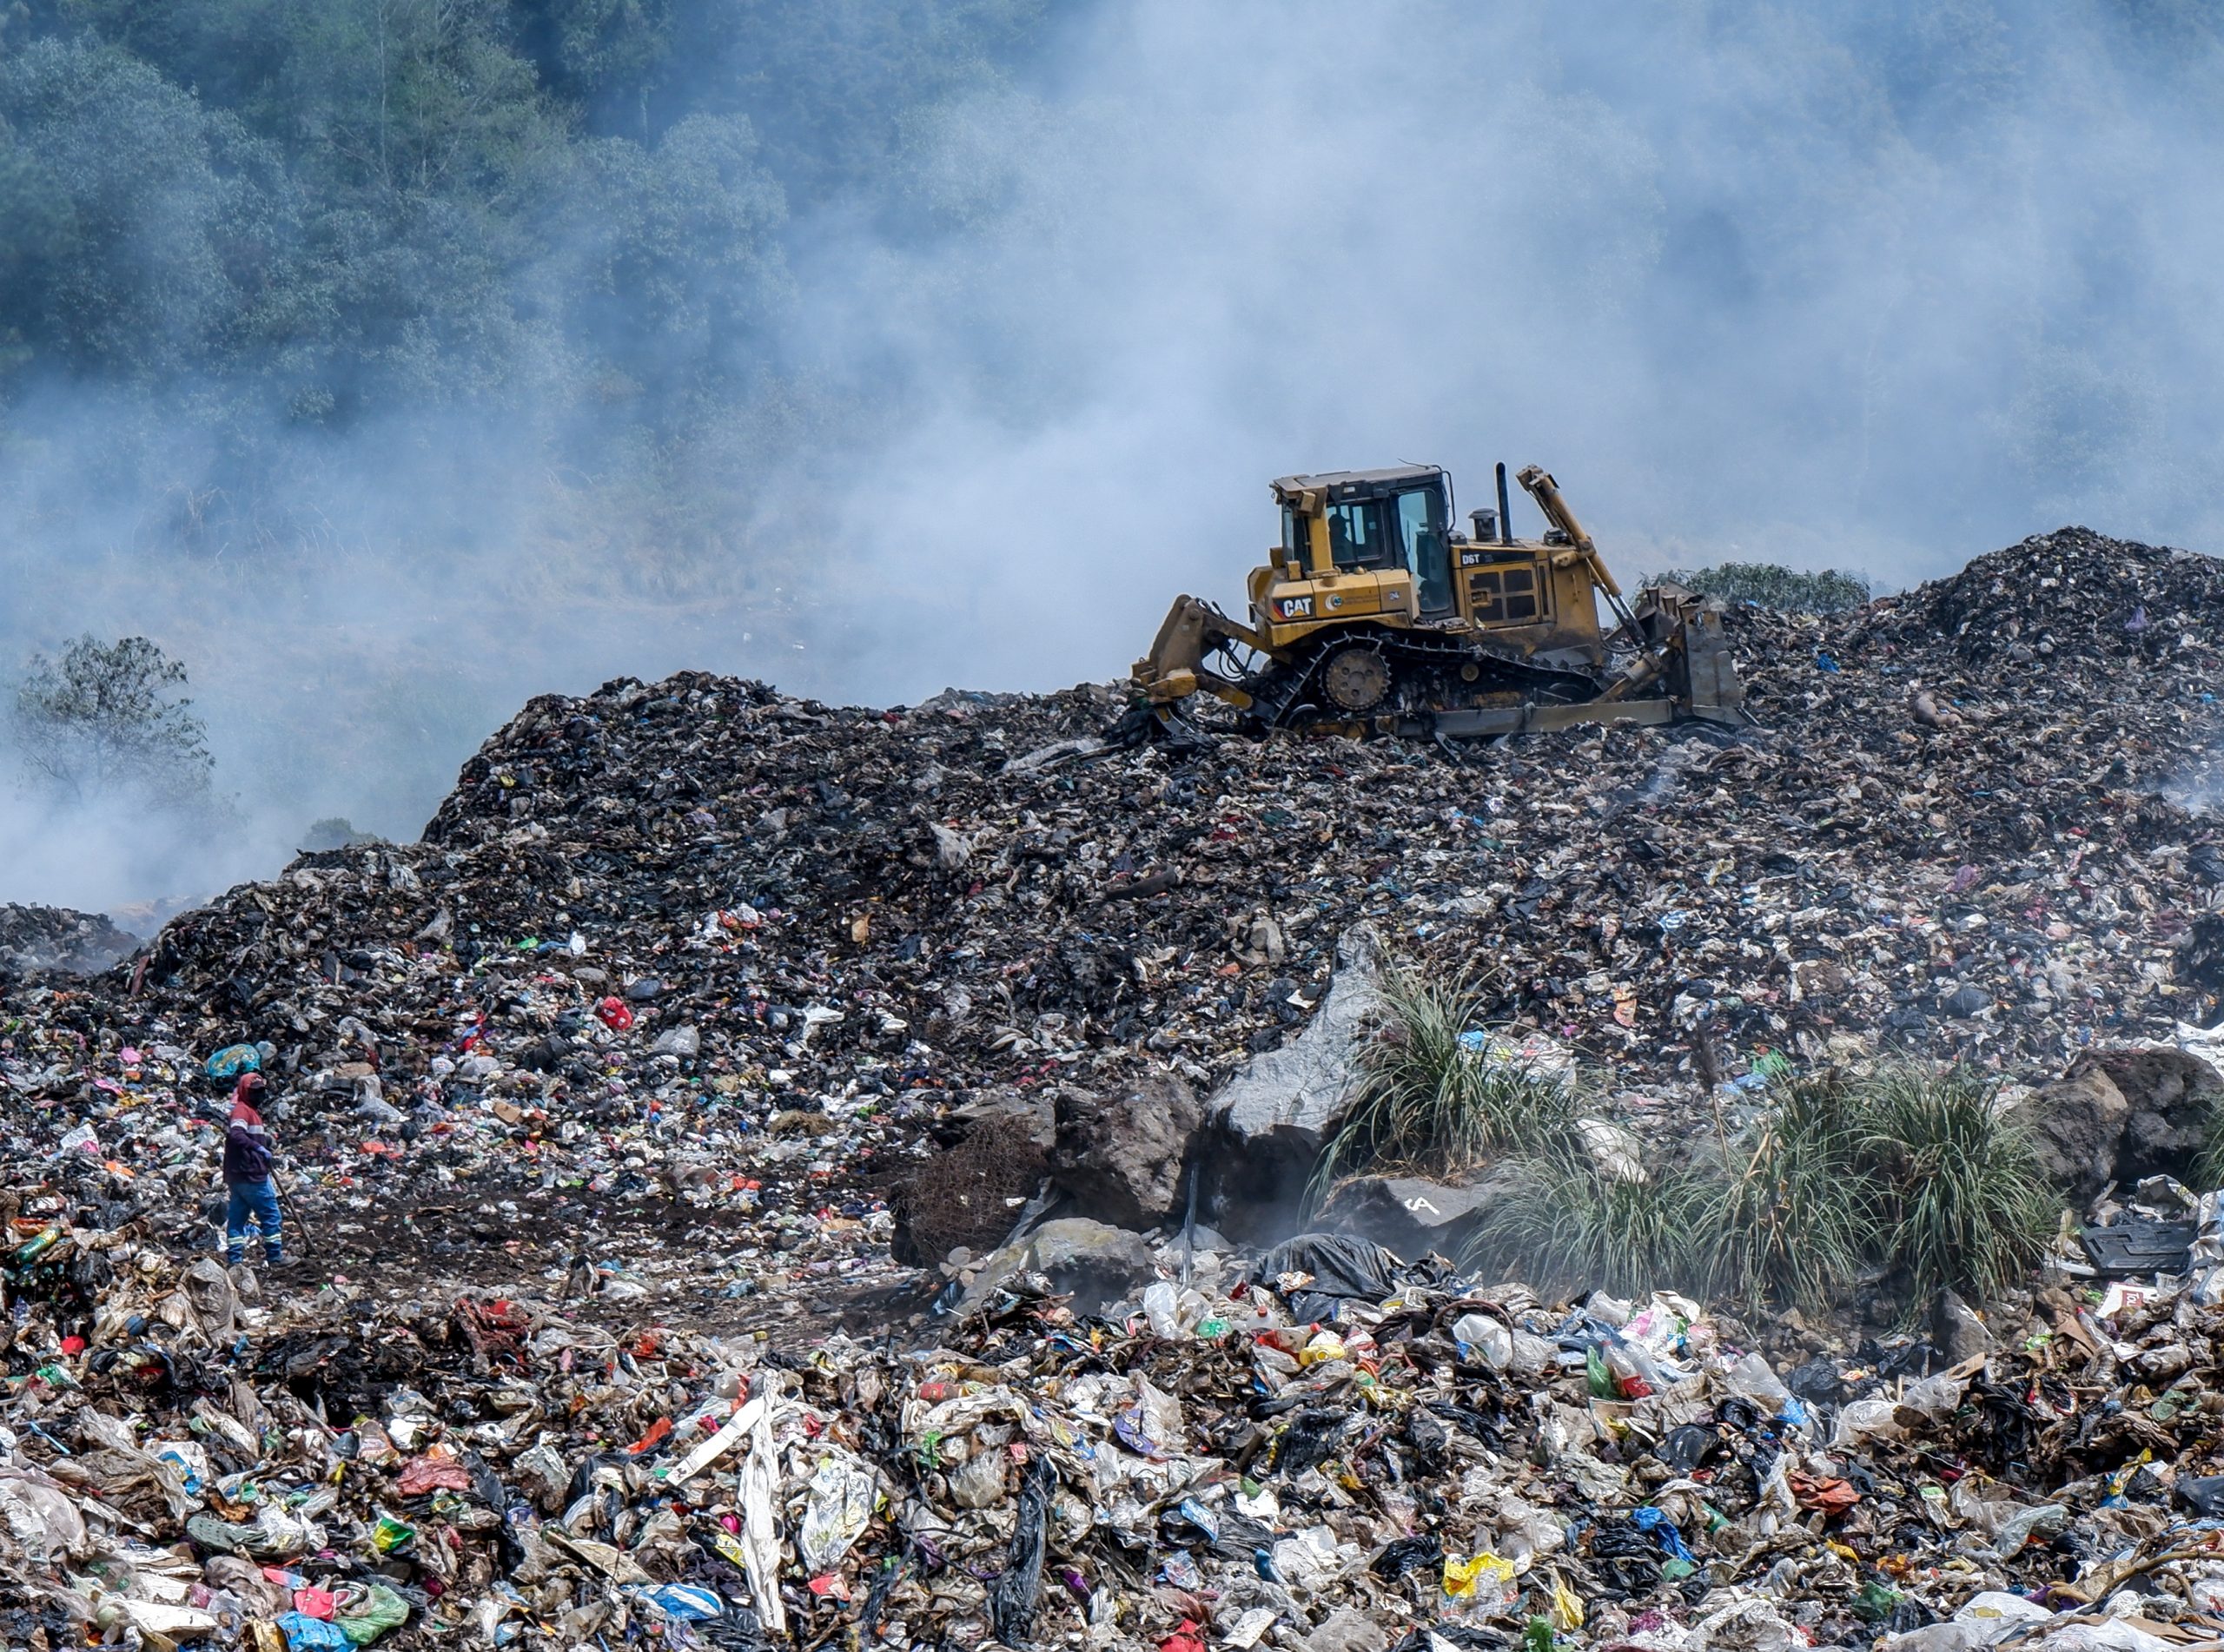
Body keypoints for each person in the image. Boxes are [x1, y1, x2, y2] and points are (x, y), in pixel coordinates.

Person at [222, 1071, 284, 1267]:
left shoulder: (251, 1111)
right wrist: (258, 1148)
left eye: (261, 1091)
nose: (260, 1095)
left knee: (237, 1219)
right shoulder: (242, 1110)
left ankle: (235, 1260)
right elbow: (237, 1135)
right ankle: (275, 1257)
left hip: (238, 1174)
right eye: (255, 1091)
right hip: (250, 1173)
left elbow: (247, 1134)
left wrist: (264, 1141)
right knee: (271, 1215)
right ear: (245, 1091)